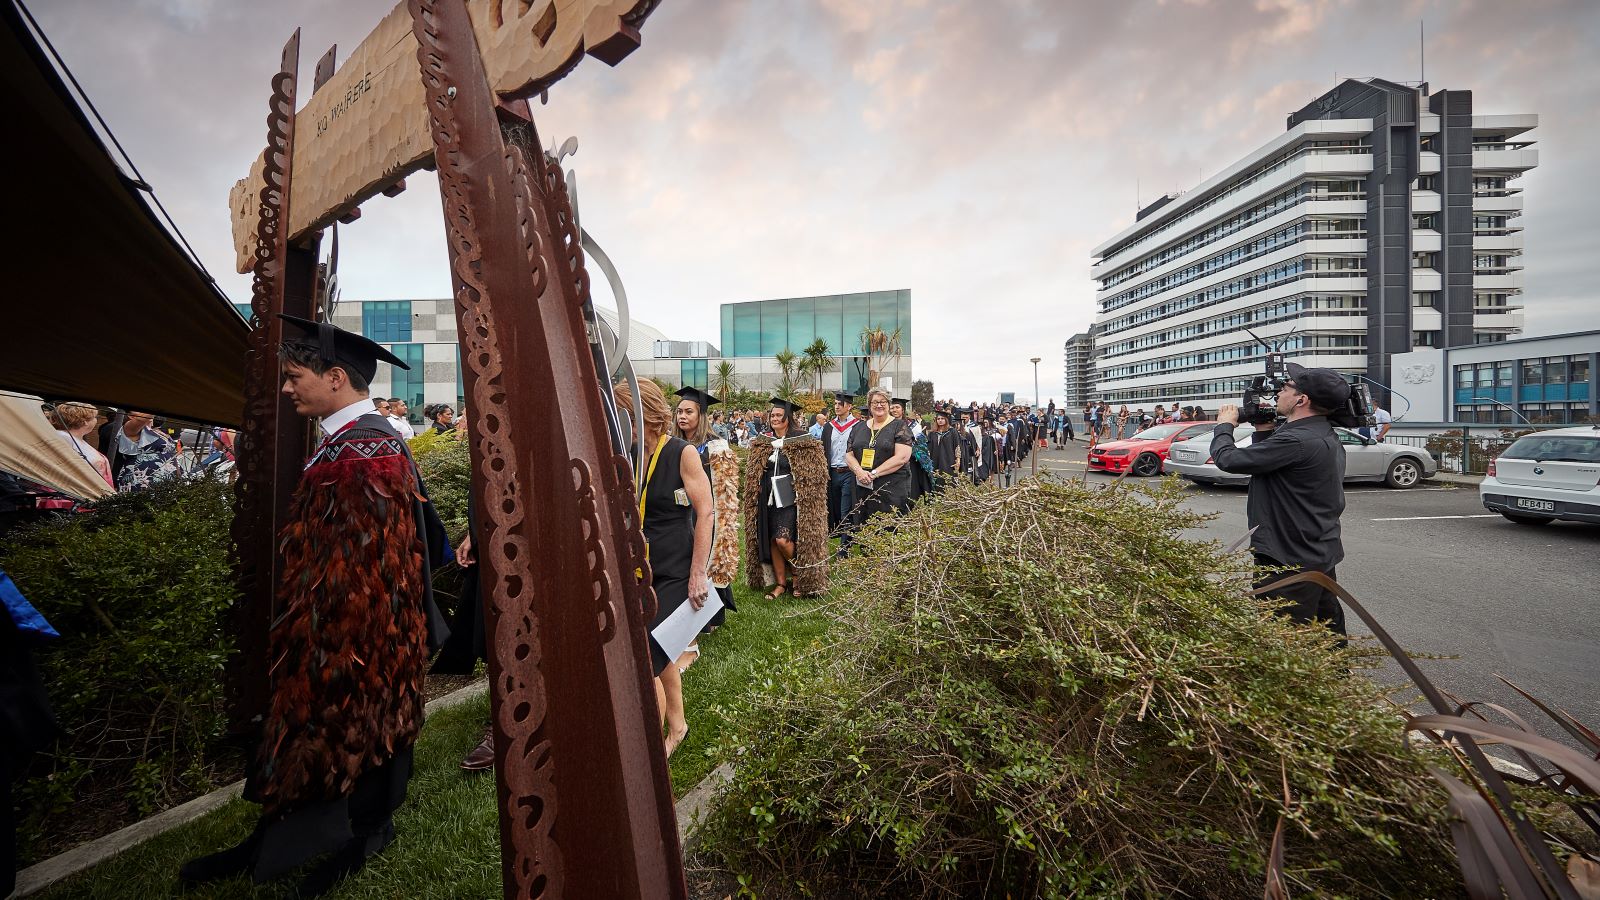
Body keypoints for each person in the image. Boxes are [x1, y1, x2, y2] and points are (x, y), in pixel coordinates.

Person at [180, 315, 450, 895]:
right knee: (322, 729)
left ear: (334, 378)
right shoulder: (351, 439)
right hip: (339, 623)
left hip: (358, 631)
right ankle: (284, 835)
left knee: (351, 728)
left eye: (293, 375)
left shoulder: (365, 450)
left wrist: (337, 635)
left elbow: (375, 562)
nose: (285, 388)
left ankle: (359, 834)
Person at [1212, 364, 1351, 640]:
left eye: (1285, 388)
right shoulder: (1319, 433)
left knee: (1281, 640)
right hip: (1316, 553)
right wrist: (1263, 430)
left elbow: (1229, 459)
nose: (1278, 393)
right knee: (1326, 638)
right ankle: (1335, 681)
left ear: (1302, 400)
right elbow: (1274, 462)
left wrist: (1223, 425)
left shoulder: (1297, 440)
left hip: (1287, 560)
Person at [614, 380, 712, 759]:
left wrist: (698, 573)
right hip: (640, 567)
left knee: (645, 657)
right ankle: (678, 725)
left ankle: (647, 758)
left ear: (647, 413)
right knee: (660, 649)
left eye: (626, 415)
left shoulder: (681, 453)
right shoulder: (629, 453)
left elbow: (706, 512)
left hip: (675, 569)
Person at [742, 398, 828, 598]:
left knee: (783, 540)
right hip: (767, 498)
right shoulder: (765, 441)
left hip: (790, 499)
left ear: (788, 418)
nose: (775, 418)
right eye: (772, 415)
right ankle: (781, 584)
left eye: (779, 415)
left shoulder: (802, 440)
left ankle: (798, 573)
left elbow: (814, 472)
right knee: (772, 539)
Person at [673, 387, 740, 638]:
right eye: (679, 411)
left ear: (701, 415)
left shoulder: (716, 446)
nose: (682, 416)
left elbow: (726, 489)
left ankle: (709, 617)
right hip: (680, 511)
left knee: (708, 559)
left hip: (707, 513)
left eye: (689, 412)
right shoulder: (673, 444)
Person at [845, 389, 915, 522]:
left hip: (891, 489)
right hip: (863, 487)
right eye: (875, 402)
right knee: (865, 527)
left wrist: (874, 473)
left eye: (883, 402)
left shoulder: (899, 427)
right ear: (869, 405)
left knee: (889, 530)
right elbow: (849, 455)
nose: (879, 405)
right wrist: (859, 471)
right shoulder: (858, 427)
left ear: (888, 404)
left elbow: (902, 458)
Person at [821, 391, 866, 557]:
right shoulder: (829, 426)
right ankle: (845, 537)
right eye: (835, 404)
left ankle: (843, 550)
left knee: (846, 509)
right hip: (833, 473)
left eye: (840, 404)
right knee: (837, 509)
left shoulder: (858, 425)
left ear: (849, 406)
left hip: (849, 473)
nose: (837, 406)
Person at [110, 411, 179, 492]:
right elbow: (142, 419)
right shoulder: (129, 428)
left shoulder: (157, 431)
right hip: (141, 480)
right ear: (130, 416)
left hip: (166, 483)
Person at [52, 402, 114, 488]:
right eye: (94, 417)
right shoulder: (63, 438)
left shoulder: (72, 438)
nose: (96, 420)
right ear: (85, 422)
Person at [927, 410, 960, 490]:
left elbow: (957, 446)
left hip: (948, 460)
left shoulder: (952, 432)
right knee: (936, 481)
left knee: (948, 481)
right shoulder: (932, 433)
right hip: (935, 460)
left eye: (942, 418)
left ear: (946, 420)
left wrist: (958, 459)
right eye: (938, 419)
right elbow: (928, 447)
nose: (940, 420)